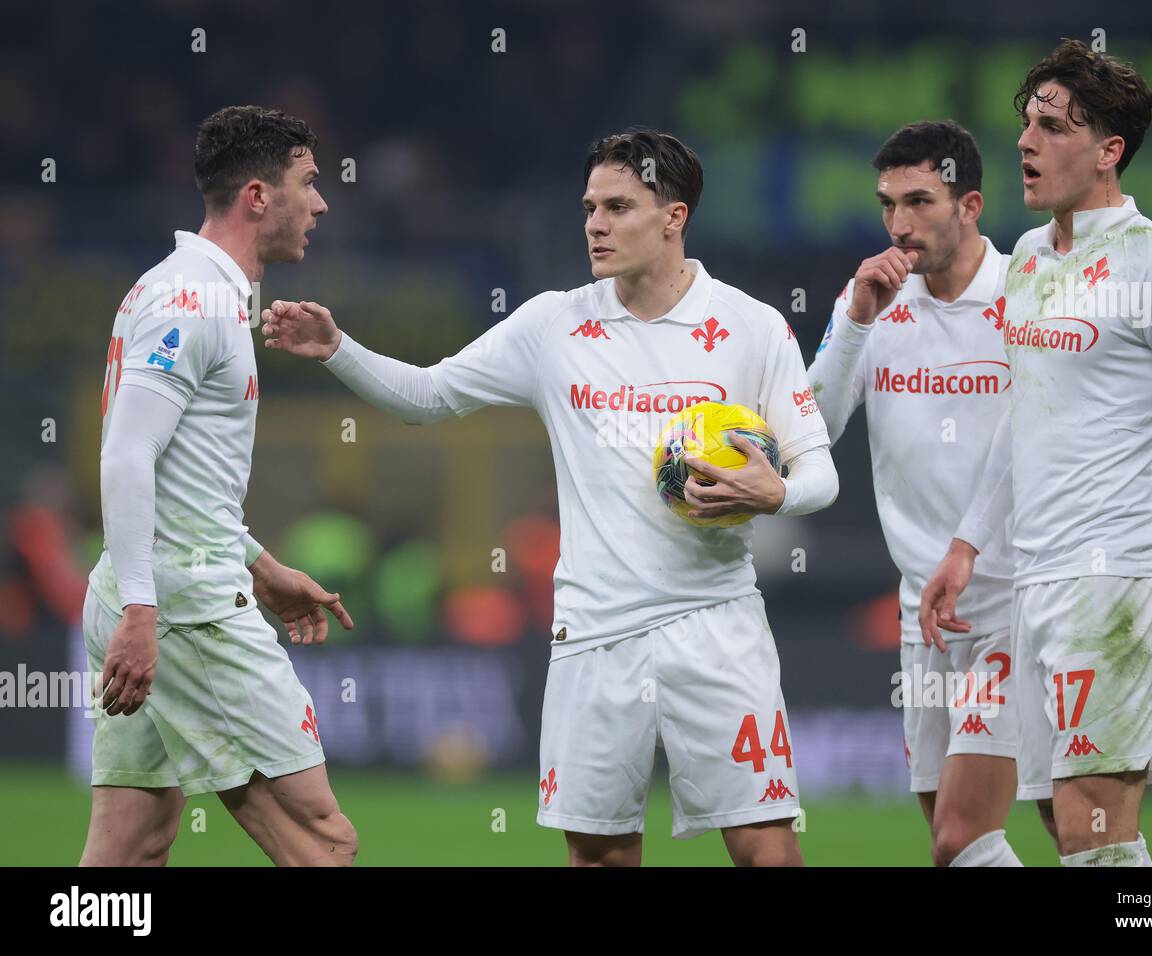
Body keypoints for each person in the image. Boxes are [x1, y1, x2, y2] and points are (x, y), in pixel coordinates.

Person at [260, 128, 839, 866]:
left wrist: (776, 490)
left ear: (674, 217)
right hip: (594, 634)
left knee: (767, 848)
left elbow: (820, 474)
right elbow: (429, 395)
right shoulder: (554, 324)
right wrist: (338, 349)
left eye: (619, 207)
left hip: (717, 624)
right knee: (598, 855)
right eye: (590, 206)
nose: (595, 223)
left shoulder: (752, 328)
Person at [920, 41, 1152, 866]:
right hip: (1033, 579)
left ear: (1109, 152)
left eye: (1053, 127)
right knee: (1062, 833)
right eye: (1026, 123)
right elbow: (1019, 418)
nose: (1026, 142)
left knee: (1093, 831)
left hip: (1115, 581)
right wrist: (965, 543)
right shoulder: (1027, 259)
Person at [82, 105, 357, 867]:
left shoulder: (186, 289)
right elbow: (128, 454)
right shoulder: (192, 300)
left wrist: (260, 563)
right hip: (181, 609)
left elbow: (177, 476)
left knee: (128, 848)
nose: (323, 203)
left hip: (154, 592)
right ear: (259, 197)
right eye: (309, 182)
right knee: (325, 845)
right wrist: (145, 610)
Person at [809, 120, 1047, 866]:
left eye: (920, 201)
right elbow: (811, 422)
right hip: (926, 612)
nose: (900, 225)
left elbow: (1058, 430)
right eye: (888, 204)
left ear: (970, 204)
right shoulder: (872, 300)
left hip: (1015, 600)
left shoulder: (1028, 296)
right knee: (958, 832)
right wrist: (855, 321)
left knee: (964, 832)